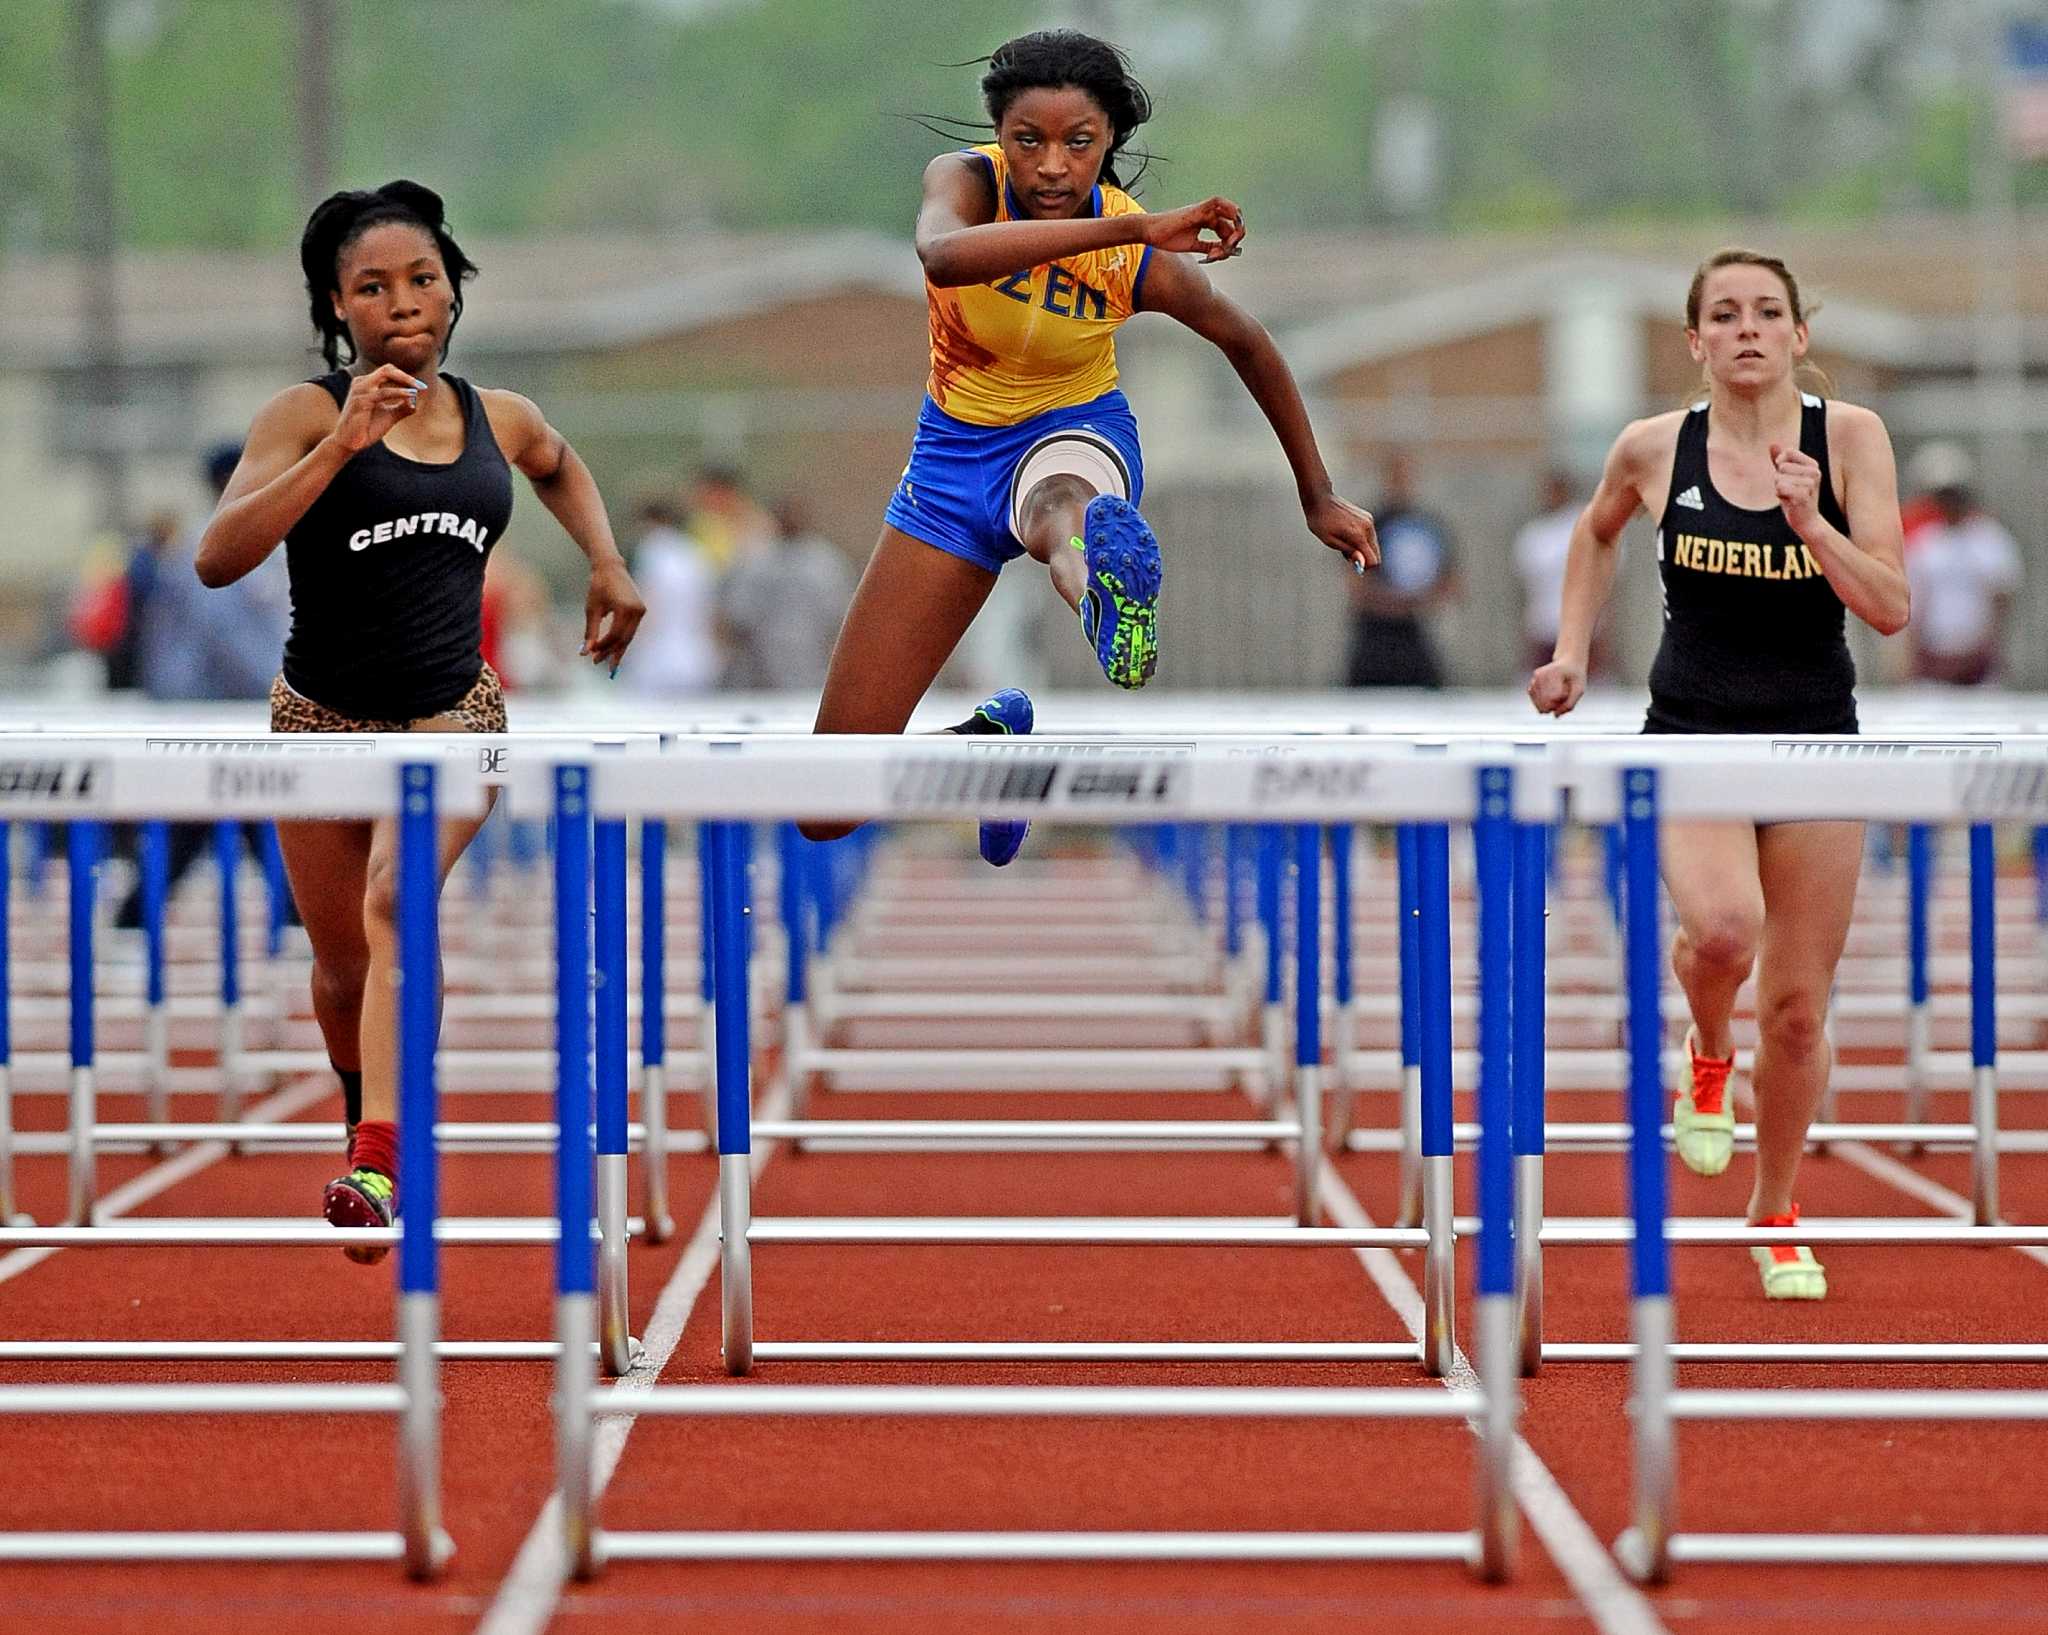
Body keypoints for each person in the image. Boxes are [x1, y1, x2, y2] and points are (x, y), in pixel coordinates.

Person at [194, 179, 645, 1260]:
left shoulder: (501, 418)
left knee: (401, 900)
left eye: (422, 280)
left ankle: (384, 1159)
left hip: (455, 711)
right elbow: (218, 559)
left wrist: (605, 562)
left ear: (452, 293)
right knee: (344, 965)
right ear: (336, 309)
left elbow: (558, 464)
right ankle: (367, 1132)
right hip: (316, 719)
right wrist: (342, 446)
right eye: (372, 287)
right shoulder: (304, 416)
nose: (402, 302)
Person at [805, 28, 1378, 859]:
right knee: (825, 804)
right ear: (998, 137)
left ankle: (1101, 595)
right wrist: (1124, 234)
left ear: (1109, 140)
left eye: (1079, 144)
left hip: (1071, 430)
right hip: (949, 464)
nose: (1050, 167)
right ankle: (985, 753)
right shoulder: (966, 185)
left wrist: (1316, 491)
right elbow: (941, 256)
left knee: (1058, 508)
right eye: (1027, 141)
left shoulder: (1139, 251)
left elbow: (1249, 341)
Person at [1528, 247, 1909, 1301]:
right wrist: (1568, 651)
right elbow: (1594, 534)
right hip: (1689, 735)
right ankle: (1703, 1049)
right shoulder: (1654, 449)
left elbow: (1888, 605)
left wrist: (1810, 526)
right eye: (1724, 315)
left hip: (1812, 743)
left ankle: (1775, 1210)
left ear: (1797, 336)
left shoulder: (1850, 440)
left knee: (1794, 1011)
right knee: (1724, 933)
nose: (1747, 329)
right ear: (1694, 342)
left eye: (1766, 313)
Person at [112, 443, 296, 932]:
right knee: (213, 819)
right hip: (208, 710)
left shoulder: (252, 540)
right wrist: (287, 689)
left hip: (221, 707)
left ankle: (133, 919)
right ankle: (132, 920)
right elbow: (232, 638)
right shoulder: (220, 543)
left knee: (232, 821)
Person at [1899, 443, 2020, 687]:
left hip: (1978, 660)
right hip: (1934, 657)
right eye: (1943, 496)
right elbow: (1915, 601)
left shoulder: (1990, 540)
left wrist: (1990, 647)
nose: (1949, 503)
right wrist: (1910, 656)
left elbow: (2001, 598)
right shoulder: (1925, 542)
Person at [1344, 450, 1458, 688]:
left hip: (1414, 636)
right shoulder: (1368, 525)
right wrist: (1397, 602)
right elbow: (1355, 587)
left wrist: (1420, 600)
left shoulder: (1429, 526)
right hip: (1373, 640)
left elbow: (1451, 583)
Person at [718, 497, 855, 692]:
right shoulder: (756, 560)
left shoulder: (824, 561)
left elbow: (841, 619)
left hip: (811, 668)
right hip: (761, 673)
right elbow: (736, 617)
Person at [621, 495, 720, 698]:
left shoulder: (652, 550)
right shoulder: (695, 552)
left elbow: (648, 605)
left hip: (658, 660)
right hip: (697, 658)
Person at [1511, 469, 1598, 679]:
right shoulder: (1534, 533)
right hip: (1544, 627)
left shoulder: (1585, 527)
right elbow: (1526, 590)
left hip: (1583, 630)